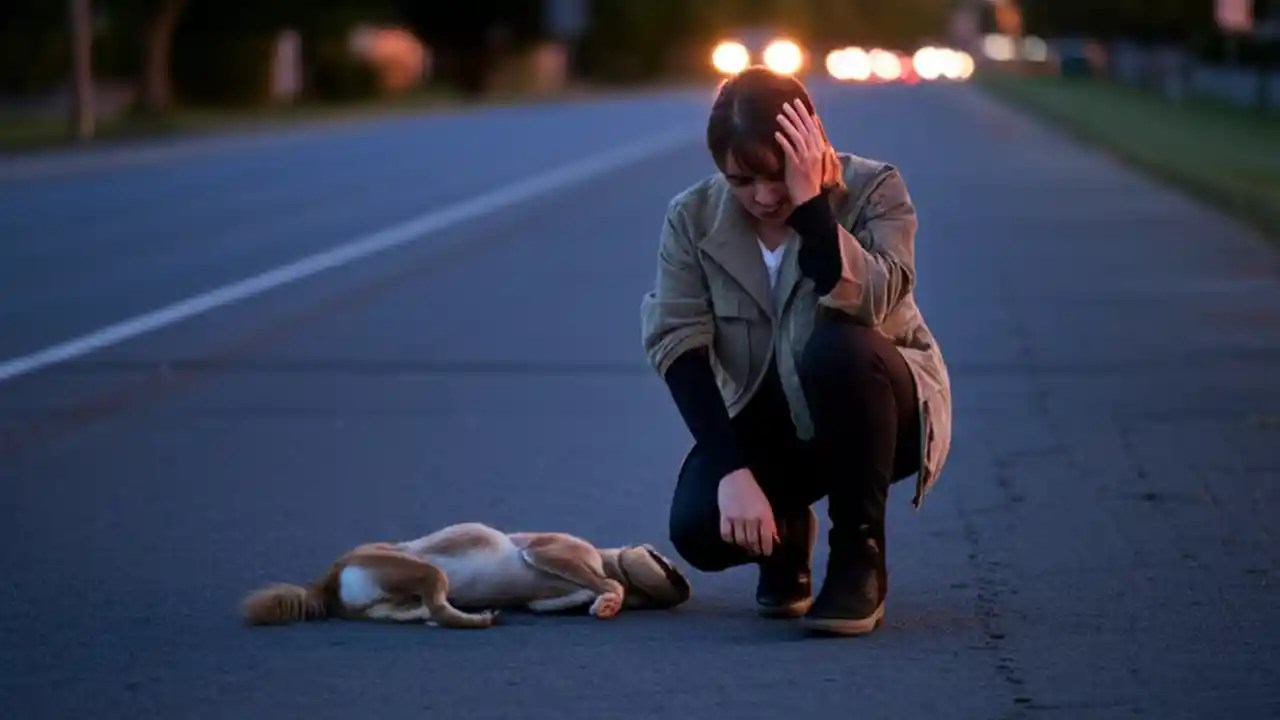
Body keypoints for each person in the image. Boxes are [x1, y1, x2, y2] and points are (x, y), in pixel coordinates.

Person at [640, 66, 952, 636]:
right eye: (741, 180)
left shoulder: (876, 189)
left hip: (881, 406)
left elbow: (876, 297)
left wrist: (812, 208)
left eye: (776, 173)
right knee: (698, 529)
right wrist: (732, 470)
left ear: (809, 142)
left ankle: (859, 554)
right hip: (773, 418)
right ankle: (784, 535)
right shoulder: (691, 217)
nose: (762, 195)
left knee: (837, 349)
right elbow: (676, 342)